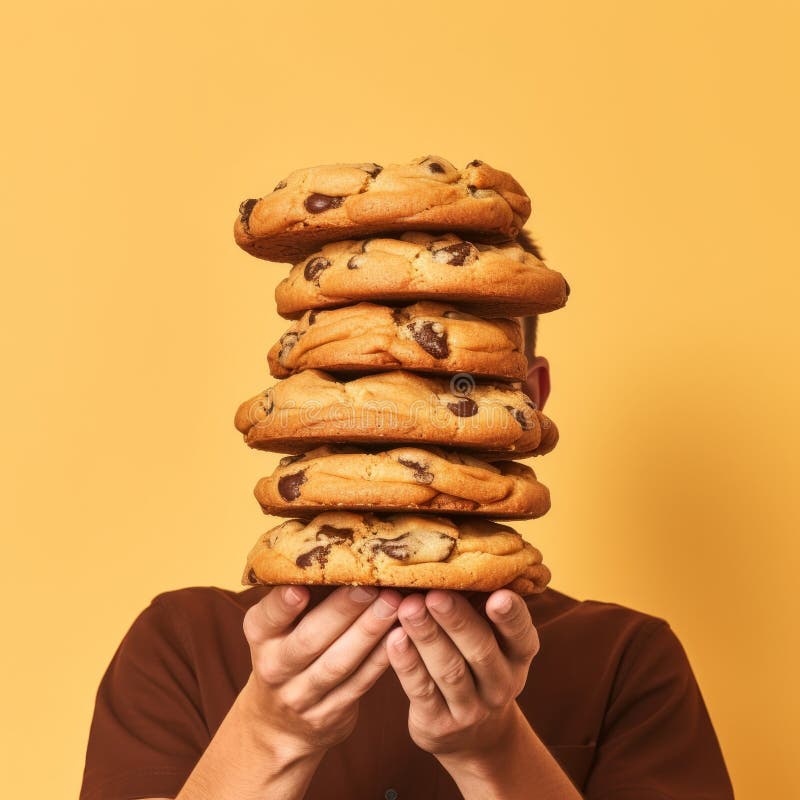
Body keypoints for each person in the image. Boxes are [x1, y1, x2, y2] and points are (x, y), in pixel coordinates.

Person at [79, 244, 735, 800]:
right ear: (304, 390)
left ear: (528, 397)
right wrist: (270, 735)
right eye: (356, 374)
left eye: (453, 382)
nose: (397, 411)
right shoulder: (185, 645)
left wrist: (494, 751)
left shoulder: (625, 658)